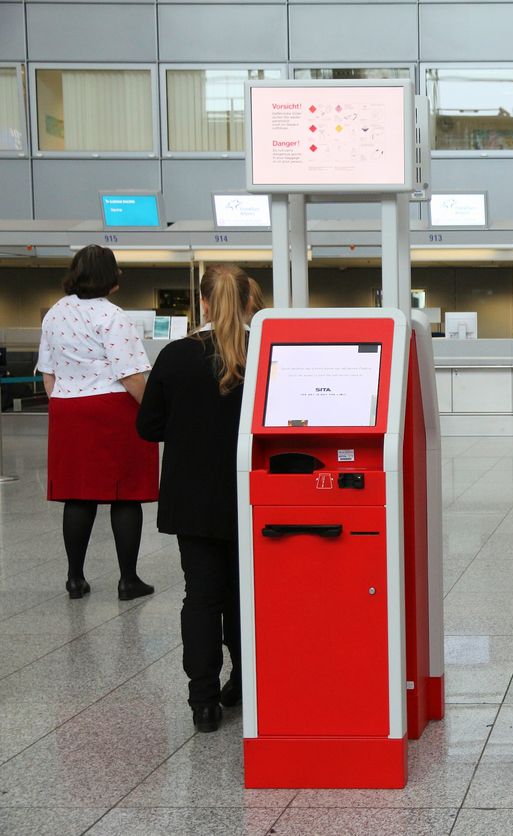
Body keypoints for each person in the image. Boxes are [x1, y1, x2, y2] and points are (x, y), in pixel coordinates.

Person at [137, 264, 256, 733]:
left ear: (202, 302)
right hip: (251, 495)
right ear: (249, 300)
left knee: (202, 597)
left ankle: (203, 702)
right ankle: (244, 683)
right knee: (245, 595)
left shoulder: (175, 356)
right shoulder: (263, 352)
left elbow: (148, 427)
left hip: (193, 500)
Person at [37, 245, 157, 601]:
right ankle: (128, 580)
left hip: (68, 409)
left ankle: (75, 578)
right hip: (112, 409)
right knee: (124, 494)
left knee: (78, 494)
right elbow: (132, 376)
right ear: (110, 278)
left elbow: (47, 373)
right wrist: (155, 415)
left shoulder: (54, 314)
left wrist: (66, 402)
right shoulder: (114, 317)